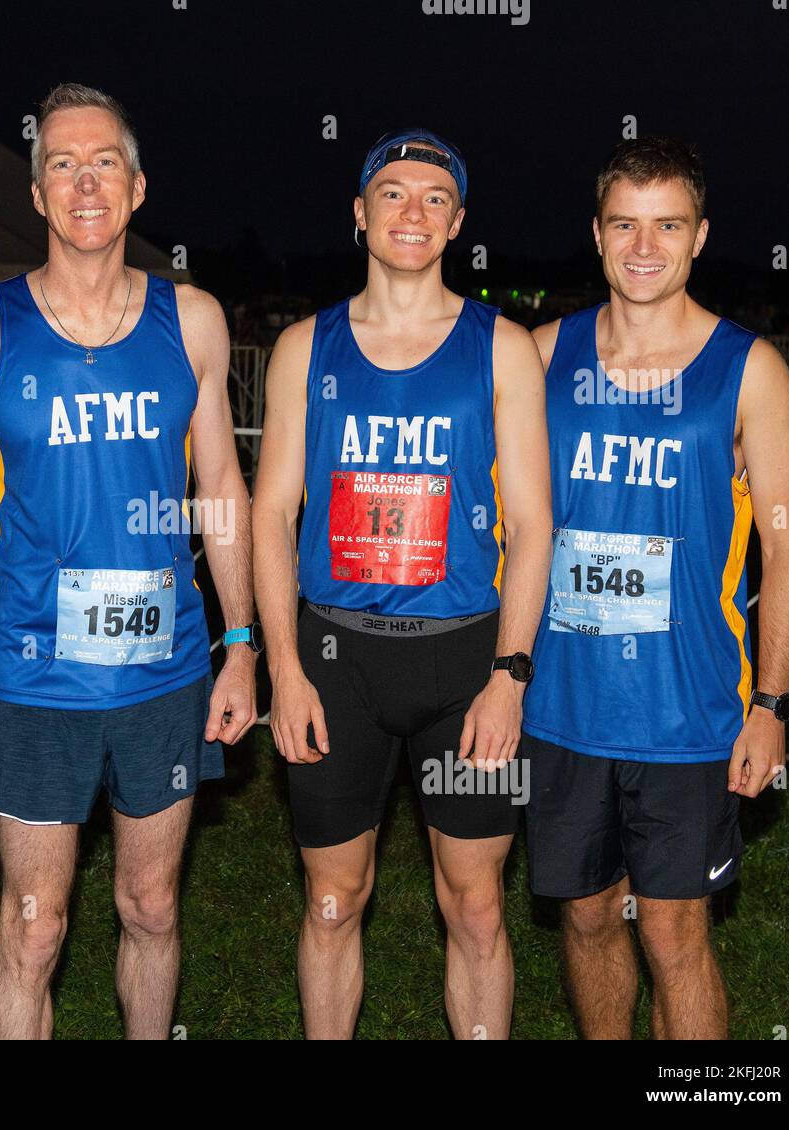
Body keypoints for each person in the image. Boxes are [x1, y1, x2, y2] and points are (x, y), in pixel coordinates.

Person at [0, 83, 257, 1040]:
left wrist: (241, 645)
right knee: (34, 930)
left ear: (138, 186)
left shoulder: (190, 320)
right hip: (36, 678)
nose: (83, 182)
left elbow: (222, 487)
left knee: (151, 907)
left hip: (167, 674)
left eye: (103, 160)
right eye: (60, 164)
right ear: (36, 193)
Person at [252, 129, 552, 1039]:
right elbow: (270, 515)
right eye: (391, 194)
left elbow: (536, 525)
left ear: (457, 221)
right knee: (334, 899)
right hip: (333, 659)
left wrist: (510, 674)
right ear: (359, 215)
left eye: (432, 198)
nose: (411, 212)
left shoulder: (501, 348)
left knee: (475, 907)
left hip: (465, 664)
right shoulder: (307, 347)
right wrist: (286, 672)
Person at [522, 136, 789, 1039]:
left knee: (676, 932)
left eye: (668, 225)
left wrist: (770, 703)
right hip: (560, 705)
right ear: (598, 235)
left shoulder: (746, 369)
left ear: (699, 237)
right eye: (625, 225)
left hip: (689, 711)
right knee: (586, 915)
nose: (644, 246)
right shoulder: (538, 355)